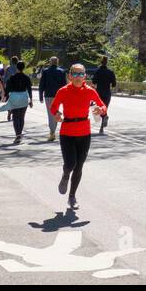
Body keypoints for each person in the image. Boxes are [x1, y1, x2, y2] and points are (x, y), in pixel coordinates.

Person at [48, 63, 107, 209]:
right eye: (75, 73)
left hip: (84, 132)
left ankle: (72, 196)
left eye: (81, 74)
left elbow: (103, 106)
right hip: (67, 132)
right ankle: (65, 174)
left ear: (85, 76)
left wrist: (101, 110)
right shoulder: (63, 91)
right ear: (69, 76)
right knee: (70, 164)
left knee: (79, 166)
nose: (78, 77)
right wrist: (56, 114)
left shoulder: (90, 91)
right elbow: (54, 106)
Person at [38, 56, 67, 141]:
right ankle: (53, 131)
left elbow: (42, 84)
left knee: (50, 114)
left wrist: (40, 95)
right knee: (55, 113)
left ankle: (52, 132)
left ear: (50, 62)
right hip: (58, 96)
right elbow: (64, 85)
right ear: (57, 62)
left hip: (48, 95)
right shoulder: (61, 72)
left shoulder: (46, 71)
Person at [5, 59, 33, 144]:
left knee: (15, 117)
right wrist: (31, 100)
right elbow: (29, 89)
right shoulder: (27, 77)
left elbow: (8, 88)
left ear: (17, 67)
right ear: (23, 68)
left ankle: (17, 134)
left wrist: (6, 97)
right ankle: (19, 133)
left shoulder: (12, 77)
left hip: (14, 97)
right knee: (21, 117)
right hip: (24, 97)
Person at [91, 56, 117, 133]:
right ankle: (102, 126)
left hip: (98, 93)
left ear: (101, 62)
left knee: (98, 108)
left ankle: (104, 120)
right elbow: (114, 84)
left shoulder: (97, 71)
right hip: (107, 93)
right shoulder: (110, 72)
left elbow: (94, 81)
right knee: (104, 108)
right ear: (107, 63)